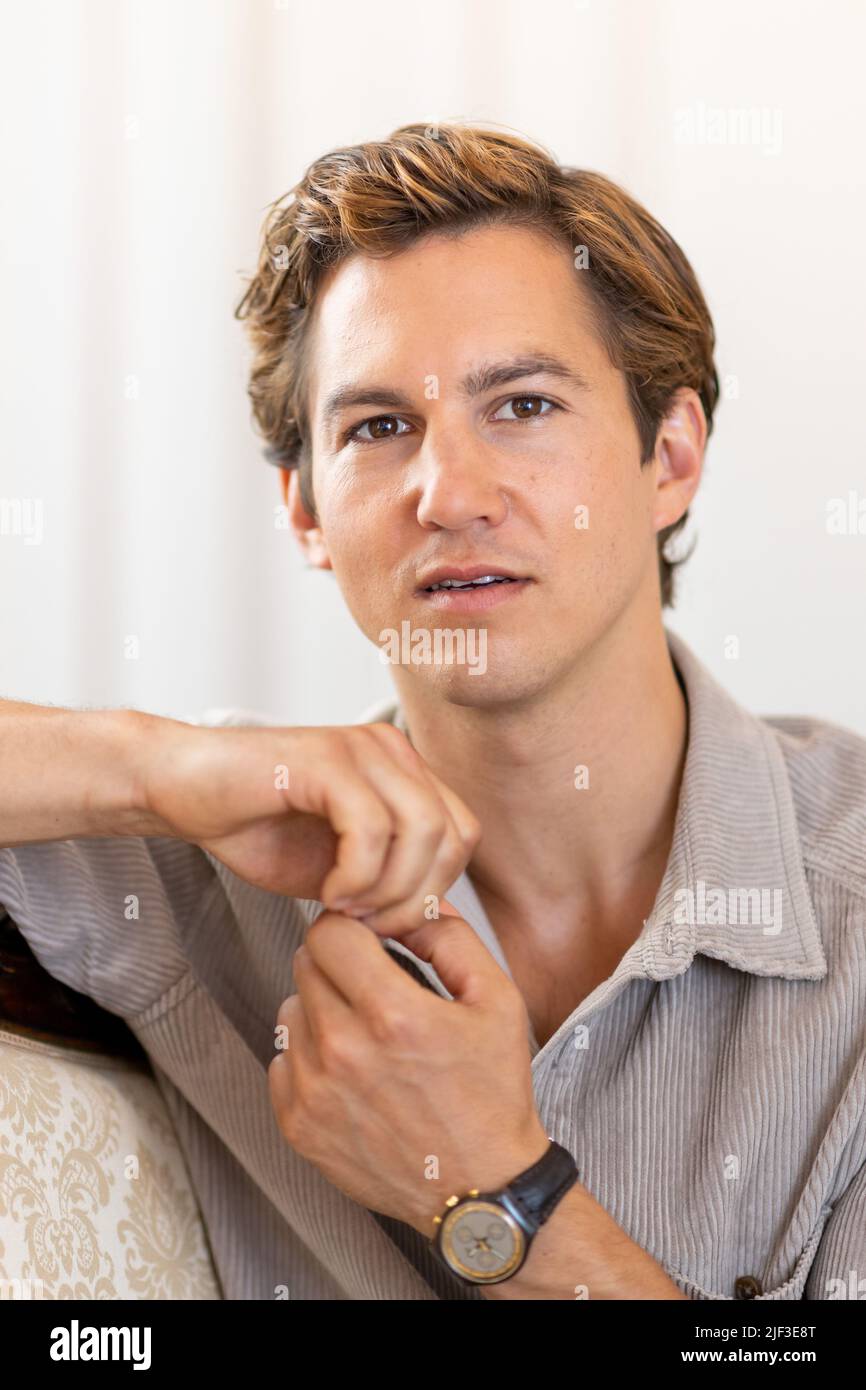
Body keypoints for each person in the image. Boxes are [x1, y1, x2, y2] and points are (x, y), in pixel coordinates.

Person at [2, 122, 864, 1301]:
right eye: (376, 427)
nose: (448, 493)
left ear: (667, 454)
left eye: (520, 405)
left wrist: (490, 1192)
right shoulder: (209, 870)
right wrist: (152, 761)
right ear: (303, 511)